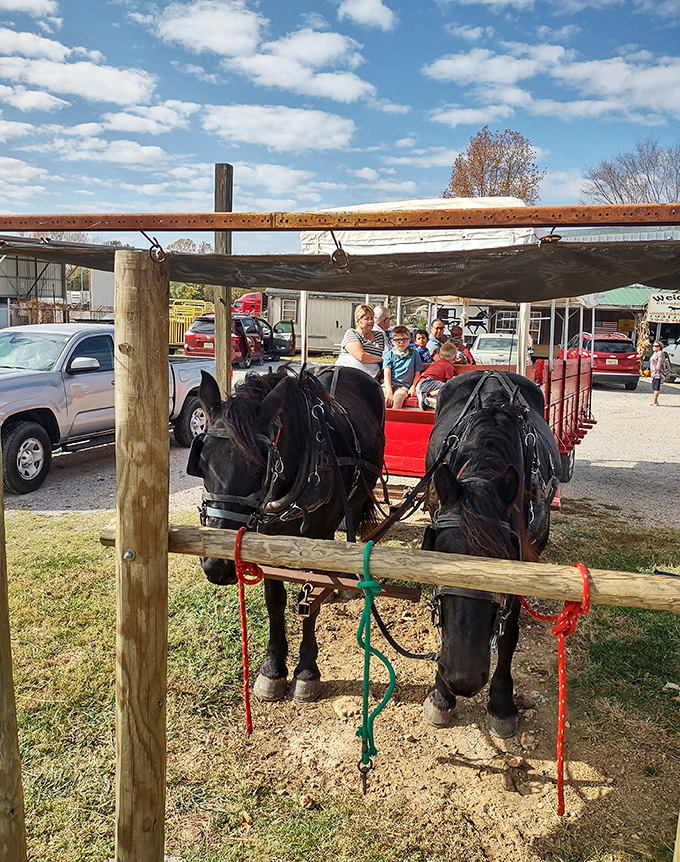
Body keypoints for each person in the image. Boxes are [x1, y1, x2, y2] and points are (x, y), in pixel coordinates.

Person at [335, 304, 385, 378]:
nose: (371, 321)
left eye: (372, 318)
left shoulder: (379, 335)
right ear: (358, 321)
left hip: (372, 377)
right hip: (348, 376)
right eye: (367, 319)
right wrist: (381, 360)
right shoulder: (351, 333)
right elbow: (361, 356)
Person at [382, 324, 423, 408]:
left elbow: (417, 373)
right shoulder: (389, 355)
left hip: (403, 386)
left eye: (404, 339)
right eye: (398, 340)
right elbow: (387, 374)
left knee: (398, 399)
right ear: (392, 341)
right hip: (389, 383)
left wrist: (413, 386)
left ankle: (394, 416)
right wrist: (389, 391)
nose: (401, 342)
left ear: (409, 340)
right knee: (383, 398)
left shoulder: (414, 354)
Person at [415, 341, 458, 408]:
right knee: (449, 387)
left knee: (442, 389)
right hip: (429, 382)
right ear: (455, 357)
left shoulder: (435, 363)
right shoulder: (449, 366)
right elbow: (448, 383)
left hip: (419, 384)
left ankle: (428, 399)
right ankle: (428, 395)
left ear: (439, 355)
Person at [649, 340, 667, 406]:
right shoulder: (655, 353)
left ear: (659, 347)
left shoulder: (660, 353)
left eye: (656, 346)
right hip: (653, 372)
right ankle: (656, 401)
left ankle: (654, 401)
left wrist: (655, 371)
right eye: (653, 345)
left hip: (657, 373)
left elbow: (659, 363)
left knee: (656, 387)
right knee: (654, 386)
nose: (654, 347)